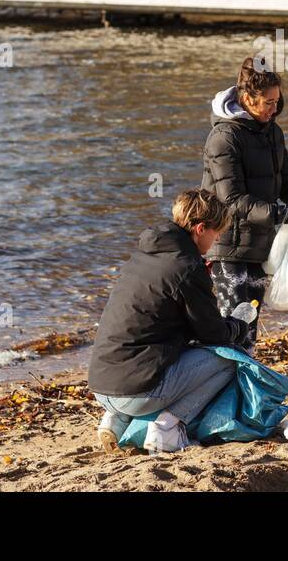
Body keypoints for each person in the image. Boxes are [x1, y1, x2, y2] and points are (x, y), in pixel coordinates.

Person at [87, 188, 252, 454]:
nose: (219, 237)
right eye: (217, 231)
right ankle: (167, 429)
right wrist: (238, 326)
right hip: (135, 393)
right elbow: (215, 336)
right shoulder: (187, 267)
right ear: (200, 229)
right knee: (231, 359)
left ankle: (114, 423)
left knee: (147, 349)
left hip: (100, 384)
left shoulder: (144, 255)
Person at [202, 56, 288, 343]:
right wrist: (283, 215)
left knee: (250, 329)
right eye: (268, 102)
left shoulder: (273, 133)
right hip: (226, 247)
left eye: (277, 101)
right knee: (232, 329)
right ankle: (223, 384)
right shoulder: (224, 138)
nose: (274, 108)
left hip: (259, 245)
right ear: (246, 98)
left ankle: (244, 386)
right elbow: (231, 199)